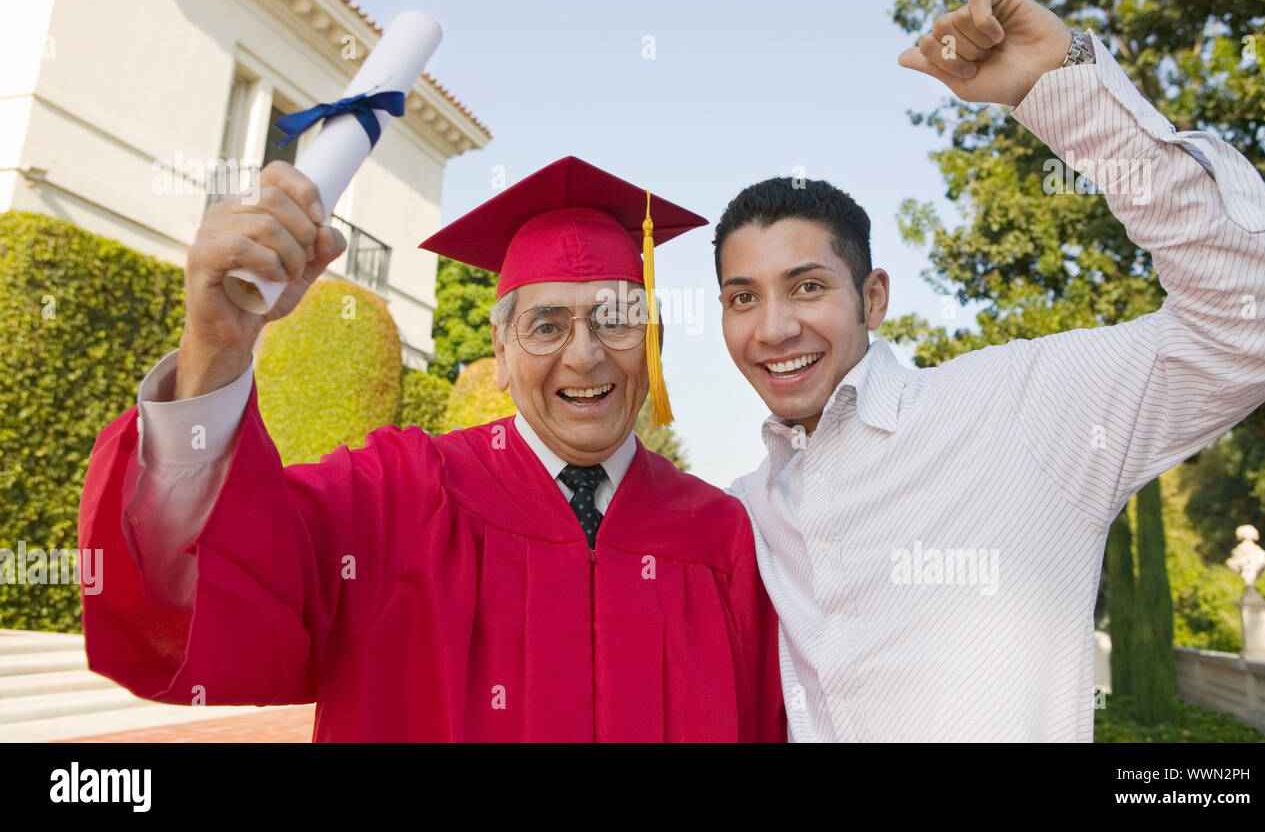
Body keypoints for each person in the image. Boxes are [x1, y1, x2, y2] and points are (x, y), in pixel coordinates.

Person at [715, 0, 1265, 741]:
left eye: (808, 287)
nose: (774, 328)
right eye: (741, 299)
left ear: (875, 297)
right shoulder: (745, 514)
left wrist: (1065, 90)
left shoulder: (1018, 408)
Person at [78, 155, 786, 742]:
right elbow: (205, 582)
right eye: (546, 324)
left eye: (615, 319)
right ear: (501, 353)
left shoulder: (719, 537)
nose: (585, 355)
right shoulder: (398, 496)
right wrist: (217, 350)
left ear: (655, 340)